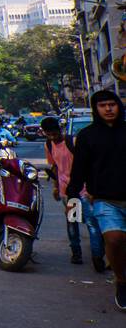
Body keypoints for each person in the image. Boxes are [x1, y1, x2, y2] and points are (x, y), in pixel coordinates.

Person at [66, 90, 126, 311]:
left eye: (112, 104)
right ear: (96, 109)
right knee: (114, 239)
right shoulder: (87, 136)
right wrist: (72, 196)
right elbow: (79, 169)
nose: (108, 109)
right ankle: (121, 281)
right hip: (104, 200)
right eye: (103, 105)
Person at [43, 115, 104, 268]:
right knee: (73, 222)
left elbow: (89, 164)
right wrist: (56, 187)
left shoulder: (72, 142)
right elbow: (55, 167)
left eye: (54, 134)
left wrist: (92, 189)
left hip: (83, 189)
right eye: (49, 134)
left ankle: (97, 256)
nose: (52, 137)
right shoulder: (48, 145)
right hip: (67, 191)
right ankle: (76, 254)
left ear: (60, 130)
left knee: (92, 222)